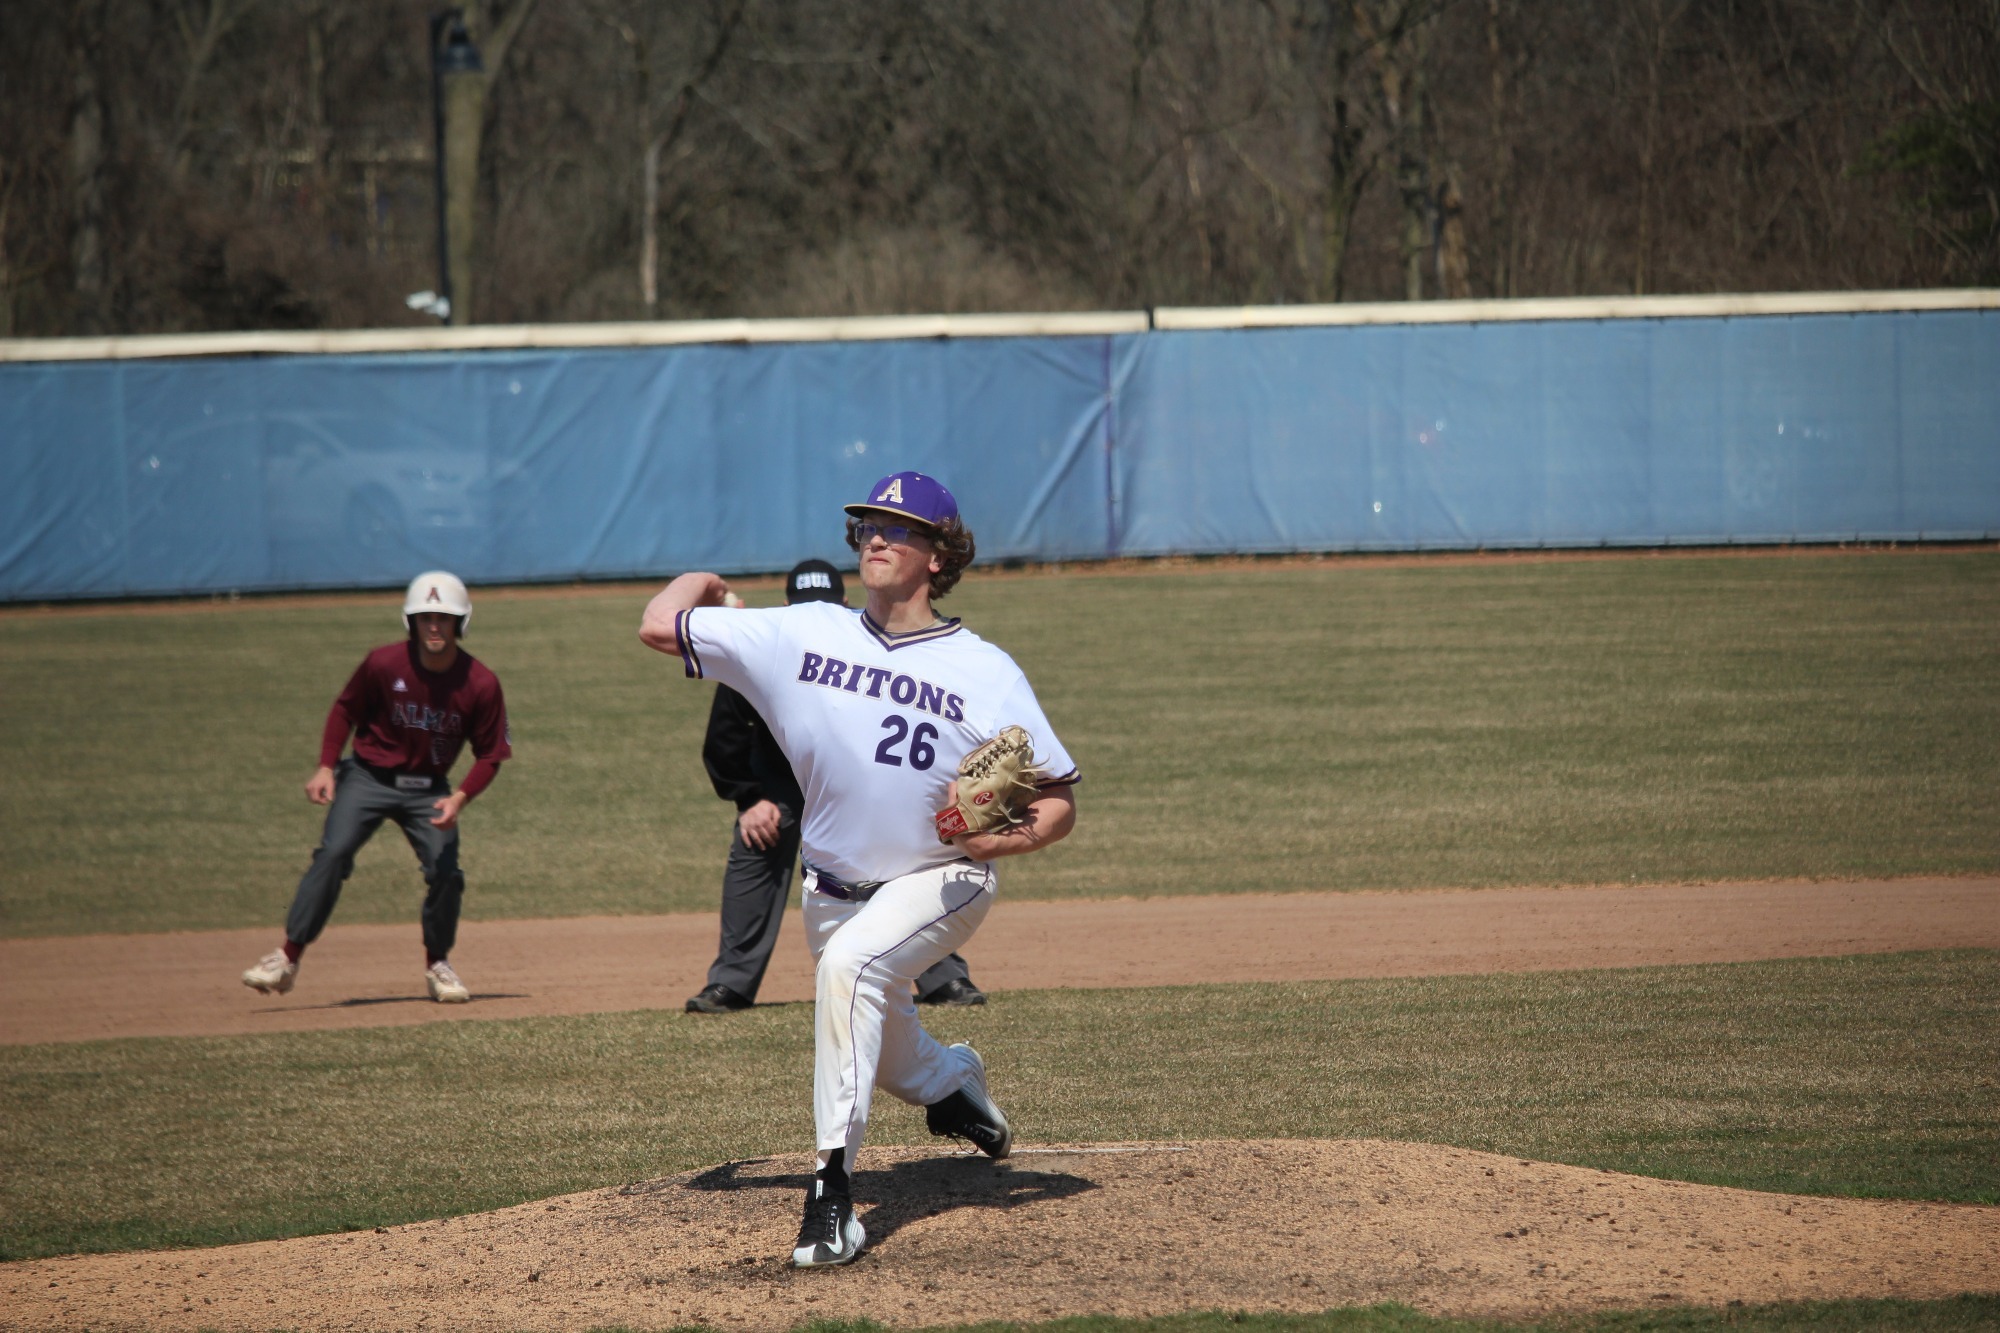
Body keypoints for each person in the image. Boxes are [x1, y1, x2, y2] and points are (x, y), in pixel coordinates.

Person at [640, 470, 1079, 1269]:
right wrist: (704, 579)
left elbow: (1058, 801)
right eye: (869, 525)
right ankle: (955, 1085)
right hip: (832, 891)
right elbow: (658, 626)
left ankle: (831, 1198)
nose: (876, 536)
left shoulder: (985, 669)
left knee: (849, 968)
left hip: (944, 880)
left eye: (899, 527)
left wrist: (1000, 844)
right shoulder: (806, 632)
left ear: (939, 555)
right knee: (890, 1051)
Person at [685, 556, 988, 1015]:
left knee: (905, 847)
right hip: (782, 790)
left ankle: (943, 976)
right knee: (758, 834)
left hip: (861, 789)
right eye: (804, 606)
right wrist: (749, 799)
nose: (815, 615)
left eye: (825, 606)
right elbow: (723, 740)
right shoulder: (765, 654)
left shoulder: (871, 655)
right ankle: (730, 982)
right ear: (786, 608)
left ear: (846, 606)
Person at [241, 571, 512, 1004]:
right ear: (411, 622)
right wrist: (326, 766)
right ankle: (287, 958)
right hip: (368, 778)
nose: (434, 627)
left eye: (444, 618)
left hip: (430, 789)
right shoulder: (383, 664)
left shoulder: (479, 683)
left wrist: (459, 799)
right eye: (425, 618)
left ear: (460, 623)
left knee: (446, 872)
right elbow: (345, 710)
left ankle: (438, 964)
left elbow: (491, 754)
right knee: (333, 854)